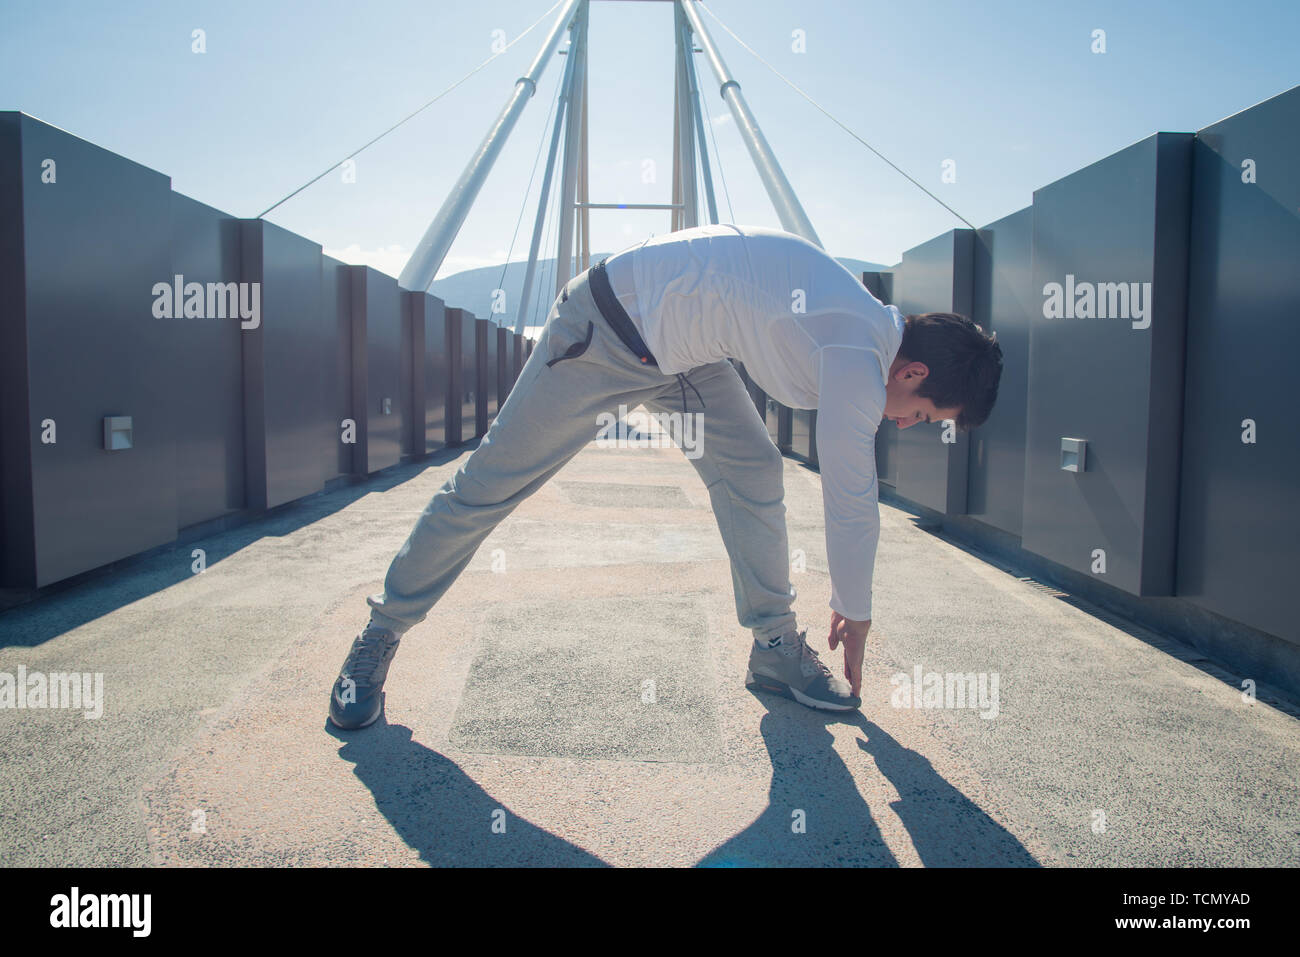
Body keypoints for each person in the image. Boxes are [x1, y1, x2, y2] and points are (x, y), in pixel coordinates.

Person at [328, 223, 1002, 730]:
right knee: (488, 485)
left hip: (684, 357)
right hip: (604, 333)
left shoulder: (862, 327)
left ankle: (773, 644)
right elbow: (851, 500)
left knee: (753, 467)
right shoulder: (860, 352)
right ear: (912, 372)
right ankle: (380, 633)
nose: (908, 423)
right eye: (921, 413)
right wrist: (856, 611)